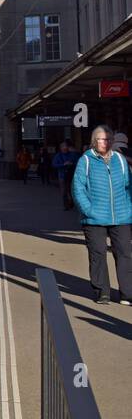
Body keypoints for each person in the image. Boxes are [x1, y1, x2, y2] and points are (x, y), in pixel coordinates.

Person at [71, 126, 132, 305]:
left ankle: (127, 293)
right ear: (94, 141)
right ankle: (102, 291)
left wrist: (129, 208)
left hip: (121, 216)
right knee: (97, 253)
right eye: (101, 139)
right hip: (94, 217)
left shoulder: (120, 160)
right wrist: (88, 210)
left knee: (125, 254)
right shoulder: (86, 160)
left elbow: (129, 186)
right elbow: (78, 188)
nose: (105, 142)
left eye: (107, 139)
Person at [53, 140, 80, 210]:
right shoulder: (58, 156)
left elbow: (78, 163)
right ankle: (66, 205)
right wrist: (63, 164)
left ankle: (71, 201)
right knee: (64, 191)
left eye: (65, 146)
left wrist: (72, 164)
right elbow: (54, 164)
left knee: (72, 190)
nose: (64, 148)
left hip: (71, 175)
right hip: (62, 175)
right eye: (63, 146)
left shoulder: (72, 154)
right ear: (60, 148)